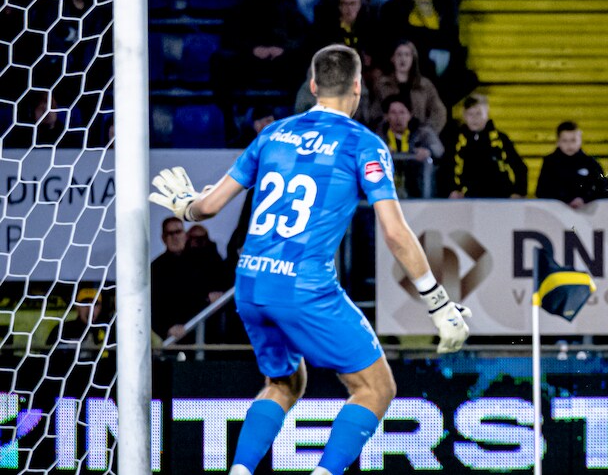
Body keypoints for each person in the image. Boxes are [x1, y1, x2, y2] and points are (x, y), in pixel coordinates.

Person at [149, 45, 471, 475]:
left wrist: (186, 207)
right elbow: (395, 232)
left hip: (250, 282)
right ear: (358, 88)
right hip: (303, 286)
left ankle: (240, 472)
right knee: (376, 388)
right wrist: (438, 303)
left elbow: (207, 207)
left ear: (313, 86)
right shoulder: (362, 144)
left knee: (284, 382)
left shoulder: (272, 134)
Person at [447, 93, 527, 199]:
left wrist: (518, 192)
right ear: (464, 116)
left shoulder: (501, 139)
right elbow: (447, 168)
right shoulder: (456, 141)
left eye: (478, 114)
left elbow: (520, 167)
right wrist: (452, 190)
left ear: (487, 114)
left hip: (500, 197)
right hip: (468, 198)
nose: (474, 119)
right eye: (470, 114)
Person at [376, 93, 445, 197]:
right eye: (393, 113)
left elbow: (439, 149)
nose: (398, 117)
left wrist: (428, 151)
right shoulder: (378, 135)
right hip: (387, 193)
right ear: (386, 116)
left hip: (418, 190)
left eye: (402, 112)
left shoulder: (423, 132)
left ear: (410, 115)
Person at [536, 121, 604, 209]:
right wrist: (564, 201)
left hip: (586, 216)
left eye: (573, 140)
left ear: (580, 140)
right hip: (557, 215)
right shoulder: (549, 163)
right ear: (558, 142)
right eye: (565, 140)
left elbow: (602, 188)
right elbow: (541, 191)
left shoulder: (591, 163)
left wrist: (584, 199)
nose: (569, 145)